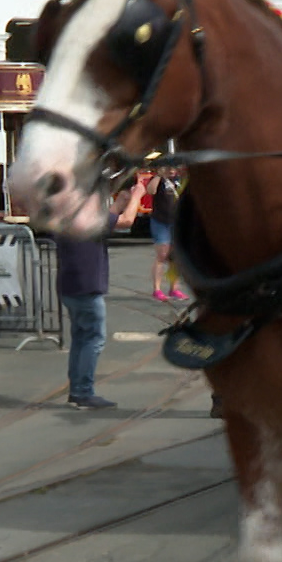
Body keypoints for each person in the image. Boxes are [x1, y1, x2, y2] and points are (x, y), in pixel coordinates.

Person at [57, 177, 144, 409]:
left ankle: (77, 390)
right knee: (94, 339)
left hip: (70, 285)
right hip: (87, 286)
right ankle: (83, 391)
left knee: (81, 338)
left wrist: (120, 202)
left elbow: (110, 220)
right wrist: (136, 196)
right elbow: (126, 221)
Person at [147, 166, 189, 302]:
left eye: (174, 168)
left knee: (175, 256)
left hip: (176, 222)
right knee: (162, 255)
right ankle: (157, 289)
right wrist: (159, 175)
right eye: (169, 168)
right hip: (160, 221)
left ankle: (174, 288)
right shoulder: (159, 180)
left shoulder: (178, 180)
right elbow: (150, 191)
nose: (172, 171)